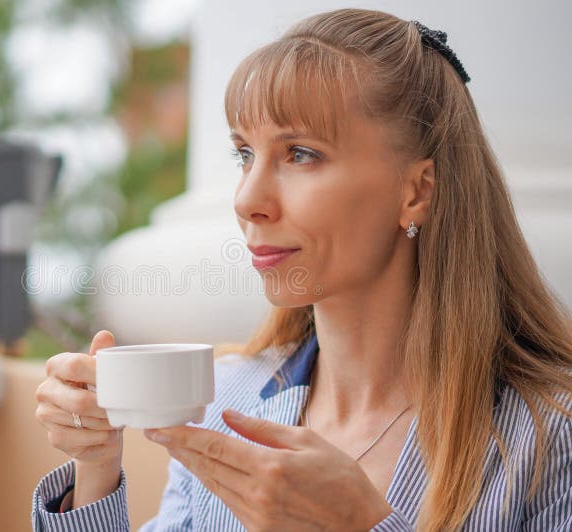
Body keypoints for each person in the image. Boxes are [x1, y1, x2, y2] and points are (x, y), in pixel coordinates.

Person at [31, 8, 572, 531]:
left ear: (416, 191)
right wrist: (96, 469)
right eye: (244, 154)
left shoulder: (549, 433)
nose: (247, 200)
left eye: (301, 154)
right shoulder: (223, 400)